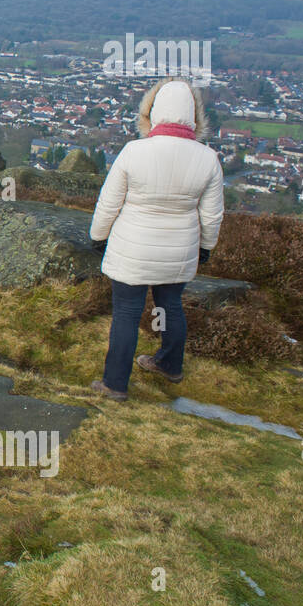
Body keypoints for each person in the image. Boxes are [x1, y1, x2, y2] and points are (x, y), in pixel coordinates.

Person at [88, 77, 225, 399]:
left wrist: (98, 236)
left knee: (126, 313)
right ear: (195, 116)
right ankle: (169, 364)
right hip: (179, 250)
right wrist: (206, 247)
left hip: (132, 248)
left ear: (150, 113)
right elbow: (213, 214)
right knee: (170, 306)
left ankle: (115, 384)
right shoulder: (207, 158)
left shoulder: (134, 151)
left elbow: (109, 202)